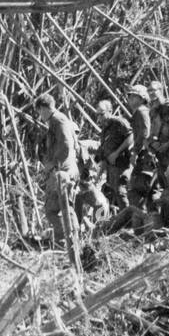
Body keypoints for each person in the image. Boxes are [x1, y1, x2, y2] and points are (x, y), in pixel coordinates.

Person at [34, 93, 79, 247]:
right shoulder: (58, 120)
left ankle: (65, 242)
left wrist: (52, 163)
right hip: (65, 170)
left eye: (39, 111)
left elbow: (66, 145)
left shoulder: (58, 120)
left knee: (53, 209)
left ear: (43, 108)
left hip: (63, 171)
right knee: (65, 207)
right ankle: (70, 241)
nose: (39, 116)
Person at [95, 98, 134, 210]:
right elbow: (104, 153)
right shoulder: (104, 130)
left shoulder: (118, 122)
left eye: (102, 114)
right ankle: (123, 219)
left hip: (121, 165)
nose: (99, 118)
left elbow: (131, 136)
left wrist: (117, 153)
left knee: (121, 192)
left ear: (110, 111)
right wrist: (99, 174)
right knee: (115, 193)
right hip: (111, 168)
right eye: (97, 115)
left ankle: (129, 219)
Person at [126, 85, 157, 211]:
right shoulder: (144, 111)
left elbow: (144, 133)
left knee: (137, 188)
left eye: (134, 96)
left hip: (146, 155)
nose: (130, 99)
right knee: (150, 190)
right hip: (149, 154)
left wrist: (135, 152)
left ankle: (140, 220)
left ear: (142, 98)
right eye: (129, 96)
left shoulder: (141, 111)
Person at [74, 139, 110, 230]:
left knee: (100, 205)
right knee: (102, 205)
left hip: (82, 184)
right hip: (77, 185)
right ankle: (99, 230)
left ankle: (96, 229)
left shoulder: (85, 146)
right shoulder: (83, 146)